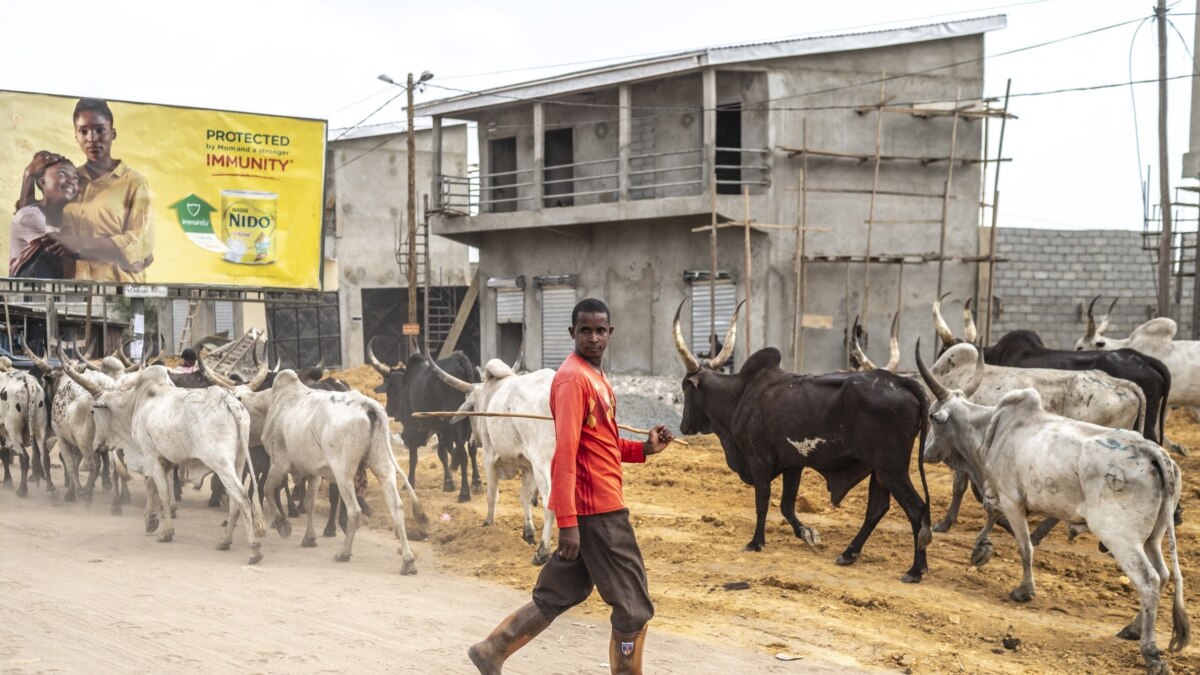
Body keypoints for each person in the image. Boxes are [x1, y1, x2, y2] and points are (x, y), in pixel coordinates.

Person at [468, 298, 674, 675]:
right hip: (598, 512)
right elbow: (564, 453)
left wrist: (644, 449)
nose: (593, 337)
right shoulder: (572, 379)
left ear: (610, 333)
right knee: (632, 605)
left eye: (600, 330)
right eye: (585, 330)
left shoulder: (595, 377)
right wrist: (567, 522)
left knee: (559, 592)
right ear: (572, 333)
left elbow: (601, 445)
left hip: (596, 506)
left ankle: (492, 650)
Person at [31, 99, 154, 282]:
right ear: (76, 136)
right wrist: (28, 176)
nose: (91, 138)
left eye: (100, 130)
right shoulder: (67, 182)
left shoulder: (134, 183)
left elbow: (140, 243)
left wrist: (80, 245)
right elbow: (34, 219)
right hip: (73, 292)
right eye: (83, 131)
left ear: (113, 133)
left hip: (119, 293)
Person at [10, 152, 78, 278]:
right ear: (42, 182)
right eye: (62, 173)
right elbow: (57, 242)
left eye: (76, 178)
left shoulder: (72, 217)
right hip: (27, 285)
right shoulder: (28, 215)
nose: (71, 181)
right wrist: (29, 174)